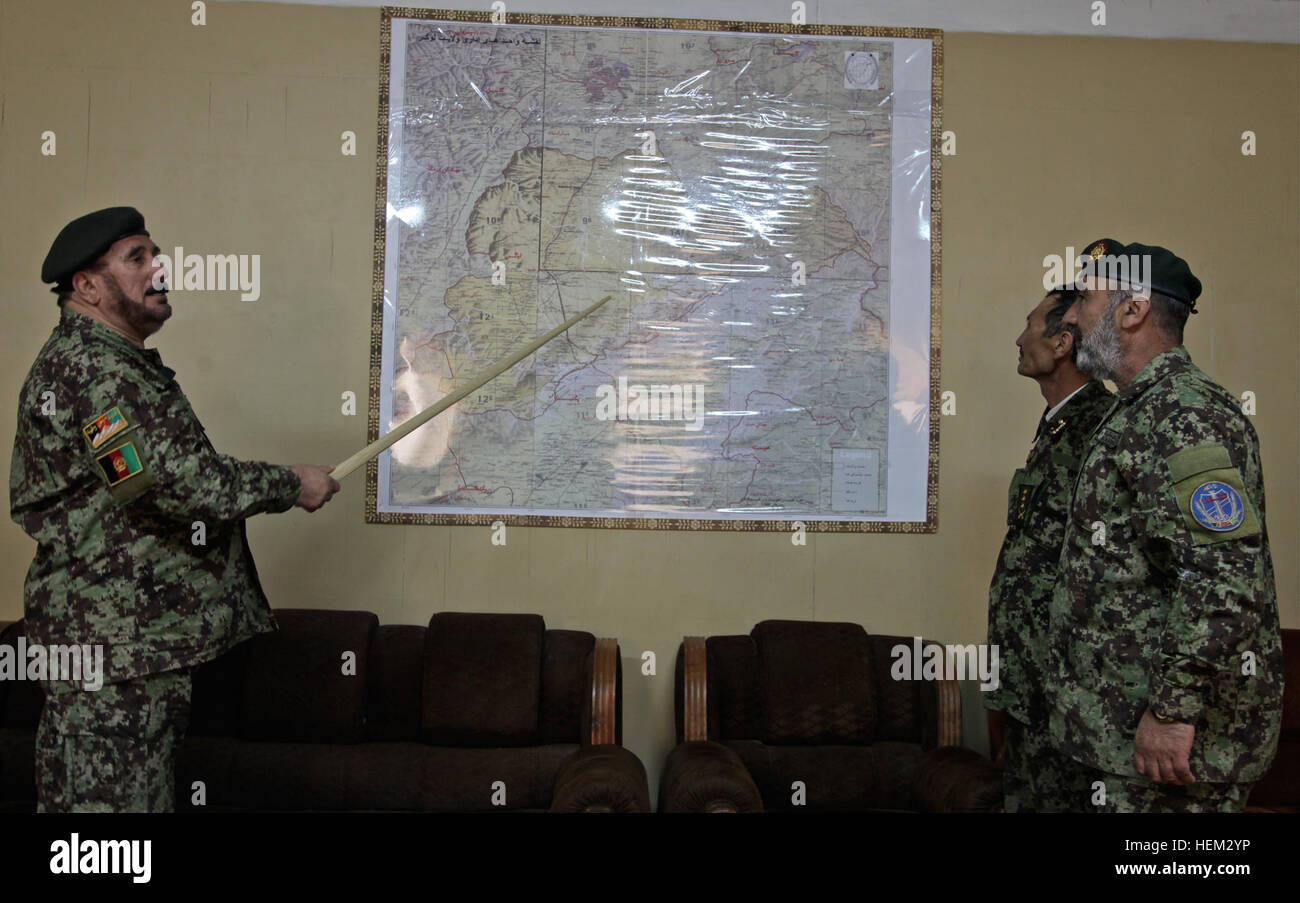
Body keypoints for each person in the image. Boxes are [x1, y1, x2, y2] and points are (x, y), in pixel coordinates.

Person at [10, 207, 340, 812]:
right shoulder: (94, 371)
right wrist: (290, 484)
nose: (157, 268)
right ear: (86, 285)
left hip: (125, 648)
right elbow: (166, 484)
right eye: (136, 257)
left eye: (154, 254)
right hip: (114, 653)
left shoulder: (110, 365)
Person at [1047, 238, 1282, 812]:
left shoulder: (1185, 413)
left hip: (1173, 752)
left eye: (1085, 299)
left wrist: (1174, 711)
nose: (1072, 316)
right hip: (1121, 736)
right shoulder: (1137, 409)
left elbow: (1224, 579)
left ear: (1134, 310)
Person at [984, 286, 1113, 812]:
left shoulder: (1097, 429)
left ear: (1062, 343)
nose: (1019, 339)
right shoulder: (1059, 425)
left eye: (1030, 325)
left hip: (1065, 687)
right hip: (1031, 679)